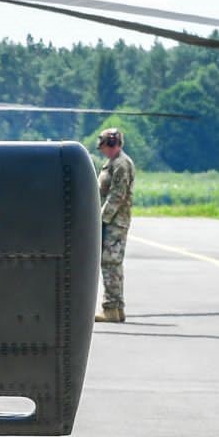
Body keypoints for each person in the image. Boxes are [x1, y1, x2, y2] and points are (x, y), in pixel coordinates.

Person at [95, 127, 135, 322]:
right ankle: (116, 308)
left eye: (104, 146)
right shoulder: (113, 163)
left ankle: (111, 308)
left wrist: (100, 220)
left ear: (112, 144)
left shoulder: (121, 164)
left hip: (114, 222)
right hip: (113, 221)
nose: (103, 150)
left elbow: (116, 196)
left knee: (110, 263)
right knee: (113, 264)